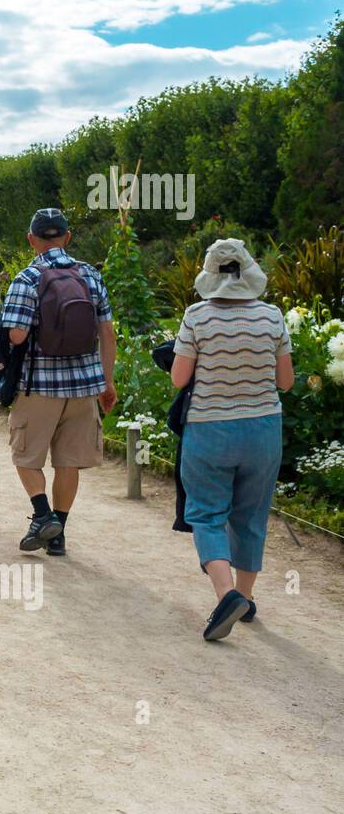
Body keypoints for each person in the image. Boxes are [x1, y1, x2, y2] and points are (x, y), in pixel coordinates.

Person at [170, 239, 294, 642]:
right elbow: (285, 382)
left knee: (206, 514)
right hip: (263, 429)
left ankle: (226, 595)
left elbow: (179, 378)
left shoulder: (197, 317)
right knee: (251, 516)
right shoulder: (272, 317)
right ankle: (245, 595)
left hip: (210, 429)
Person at [0, 208, 116, 556]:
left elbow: (17, 336)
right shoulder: (91, 276)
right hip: (83, 387)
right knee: (68, 462)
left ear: (31, 239)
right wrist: (106, 383)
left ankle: (41, 514)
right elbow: (107, 333)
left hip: (39, 386)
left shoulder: (27, 278)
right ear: (67, 237)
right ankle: (59, 534)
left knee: (26, 457)